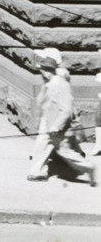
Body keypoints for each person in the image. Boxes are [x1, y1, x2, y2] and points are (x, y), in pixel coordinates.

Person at [29, 48, 96, 184]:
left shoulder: (62, 84)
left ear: (50, 69)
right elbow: (43, 101)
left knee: (64, 151)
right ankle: (37, 172)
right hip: (48, 121)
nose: (41, 71)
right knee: (41, 146)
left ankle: (88, 167)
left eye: (44, 68)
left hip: (56, 125)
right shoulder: (49, 82)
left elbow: (66, 109)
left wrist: (56, 125)